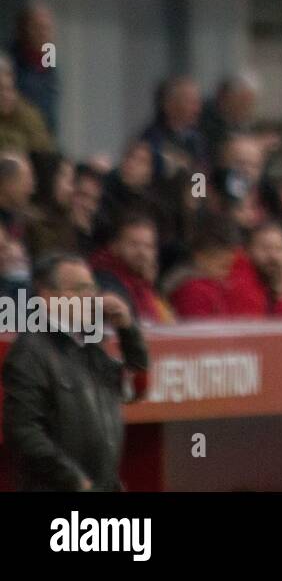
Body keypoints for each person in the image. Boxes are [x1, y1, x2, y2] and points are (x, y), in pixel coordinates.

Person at [2, 253, 148, 490]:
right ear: (47, 297)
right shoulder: (30, 352)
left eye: (92, 289)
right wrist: (75, 480)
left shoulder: (91, 348)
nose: (90, 298)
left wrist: (127, 330)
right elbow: (23, 432)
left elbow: (136, 387)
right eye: (79, 289)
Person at [89, 212, 175, 325]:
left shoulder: (146, 283)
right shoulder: (104, 281)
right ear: (114, 246)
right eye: (134, 244)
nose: (142, 252)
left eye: (148, 246)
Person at [139, 75, 208, 183]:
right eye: (190, 102)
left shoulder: (196, 139)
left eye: (198, 102)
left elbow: (200, 178)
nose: (197, 109)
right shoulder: (151, 141)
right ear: (168, 104)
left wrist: (198, 195)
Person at [9, 4, 60, 137]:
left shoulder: (49, 56)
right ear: (24, 29)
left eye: (48, 28)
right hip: (18, 134)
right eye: (38, 27)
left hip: (45, 135)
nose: (44, 33)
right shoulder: (10, 61)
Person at [25, 151, 78, 260]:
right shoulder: (30, 222)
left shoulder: (66, 221)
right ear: (49, 179)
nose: (71, 189)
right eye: (67, 181)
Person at [0, 55, 54, 154]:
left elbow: (45, 149)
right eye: (0, 89)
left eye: (9, 89)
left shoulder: (28, 114)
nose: (5, 95)